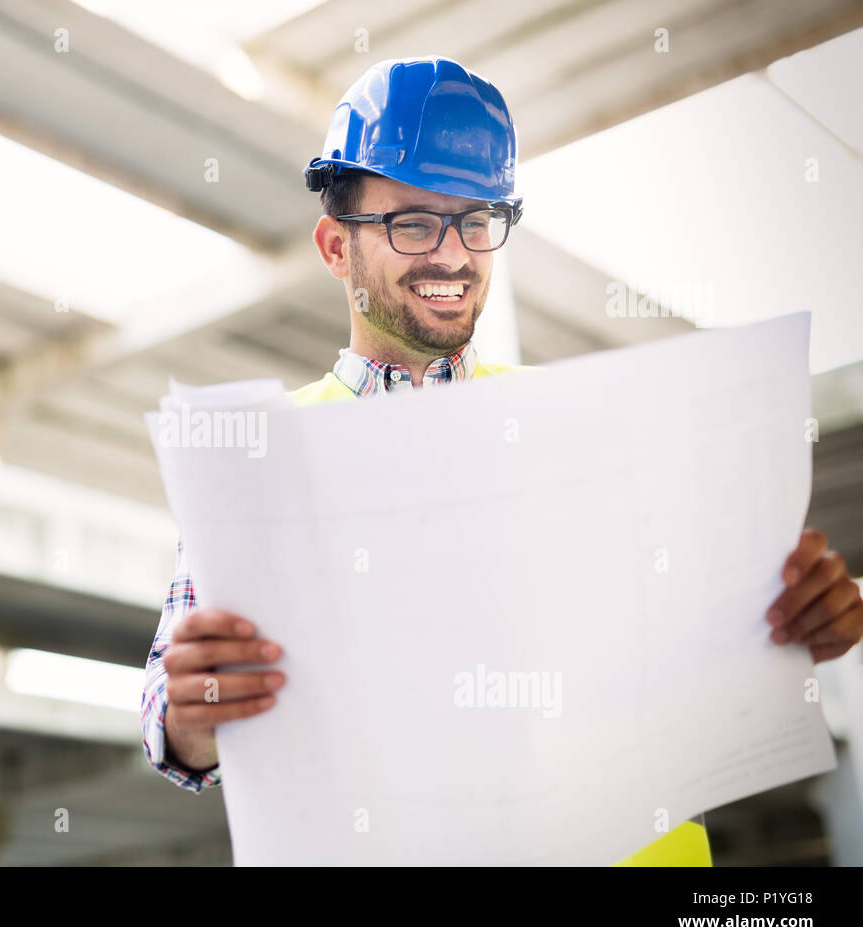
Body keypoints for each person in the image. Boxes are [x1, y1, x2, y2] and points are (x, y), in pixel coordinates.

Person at [139, 56, 863, 864]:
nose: (452, 256)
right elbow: (176, 728)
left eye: (476, 221)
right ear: (335, 247)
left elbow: (706, 648)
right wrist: (193, 714)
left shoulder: (598, 432)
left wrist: (798, 626)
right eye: (413, 223)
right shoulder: (260, 464)